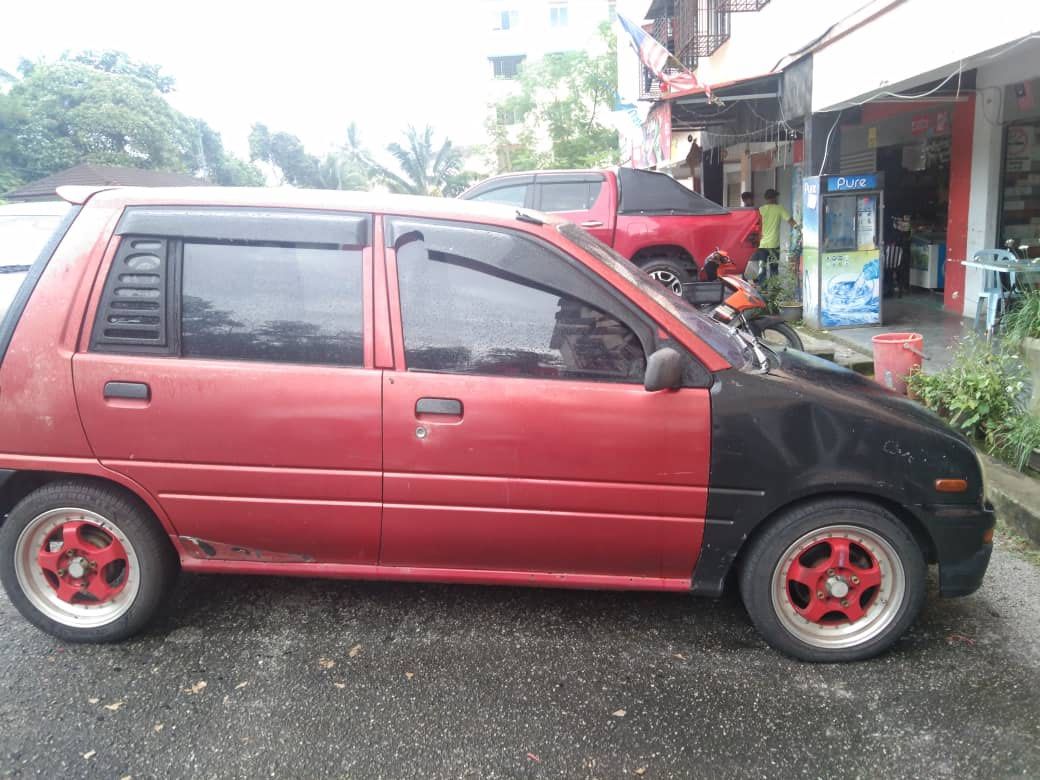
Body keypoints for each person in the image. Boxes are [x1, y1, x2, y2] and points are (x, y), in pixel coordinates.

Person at [752, 188, 798, 284]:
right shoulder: (779, 208)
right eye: (776, 197)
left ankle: (762, 292)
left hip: (762, 245)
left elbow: (754, 224)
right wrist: (801, 230)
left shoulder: (760, 210)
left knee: (762, 269)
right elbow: (790, 221)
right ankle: (774, 292)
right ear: (774, 198)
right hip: (774, 245)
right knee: (774, 269)